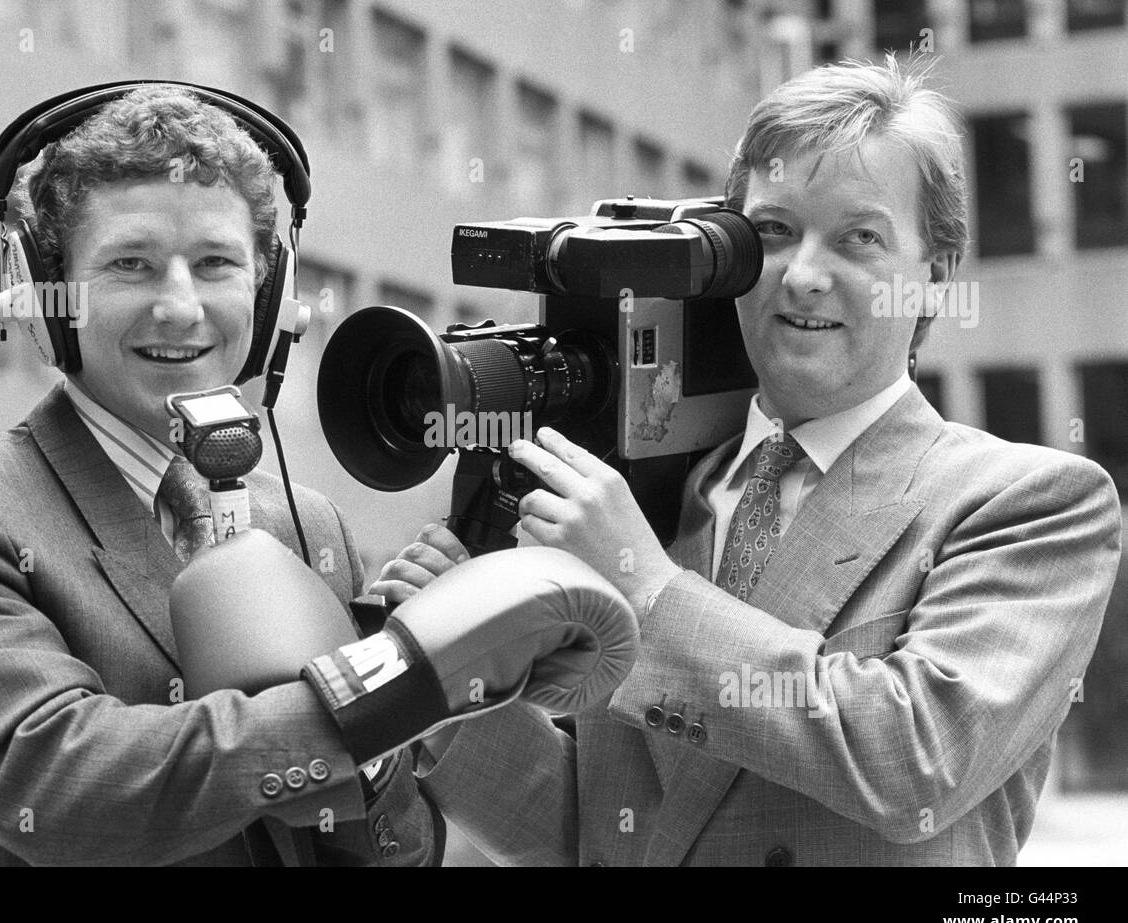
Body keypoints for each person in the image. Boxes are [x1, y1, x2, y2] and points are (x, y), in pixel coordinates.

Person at [376, 56, 1123, 865]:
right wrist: (448, 680)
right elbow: (594, 837)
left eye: (859, 238)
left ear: (933, 279)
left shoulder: (1029, 503)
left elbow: (915, 764)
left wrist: (647, 590)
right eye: (772, 233)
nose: (803, 275)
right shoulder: (656, 494)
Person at [0, 84, 442, 866]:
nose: (180, 306)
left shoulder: (308, 522)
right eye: (131, 264)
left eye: (215, 264)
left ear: (268, 299)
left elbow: (398, 848)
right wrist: (376, 694)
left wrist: (422, 678)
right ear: (48, 297)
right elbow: (58, 787)